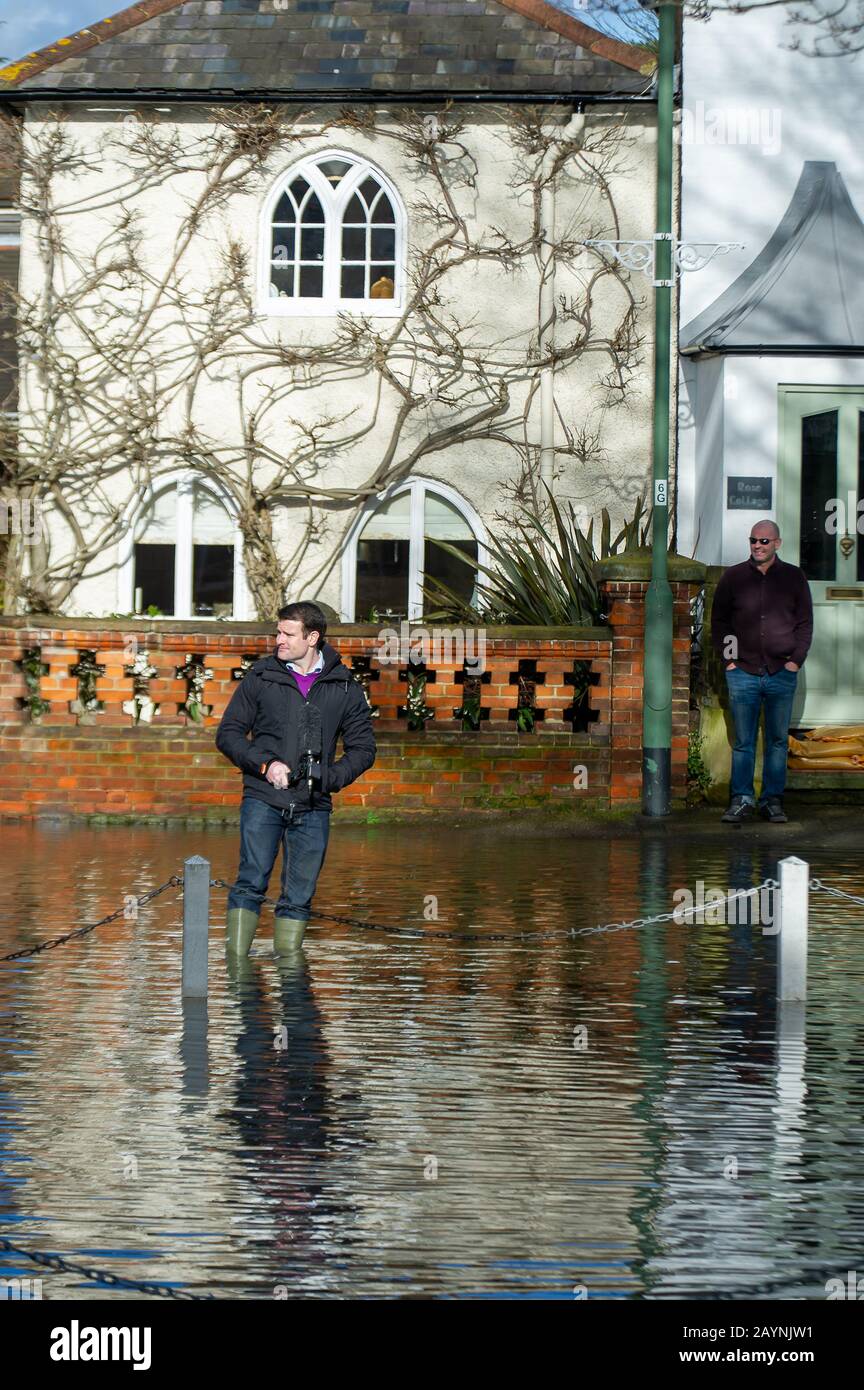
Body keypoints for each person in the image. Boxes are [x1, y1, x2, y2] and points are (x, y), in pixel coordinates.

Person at [216, 600, 376, 955]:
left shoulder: (345, 686)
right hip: (263, 799)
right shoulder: (261, 677)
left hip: (314, 806)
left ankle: (289, 974)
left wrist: (329, 777)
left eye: (288, 633)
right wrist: (265, 765)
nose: (279, 640)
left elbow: (364, 750)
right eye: (278, 632)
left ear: (313, 637)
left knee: (300, 893)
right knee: (250, 882)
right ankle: (237, 970)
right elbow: (228, 734)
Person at [711, 520, 813, 824]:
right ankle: (741, 800)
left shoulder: (794, 578)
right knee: (743, 741)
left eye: (764, 541)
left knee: (778, 740)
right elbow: (720, 624)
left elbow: (805, 624)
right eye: (753, 540)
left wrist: (795, 660)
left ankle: (772, 801)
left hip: (782, 671)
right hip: (742, 671)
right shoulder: (733, 578)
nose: (757, 545)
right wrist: (730, 661)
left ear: (777, 544)